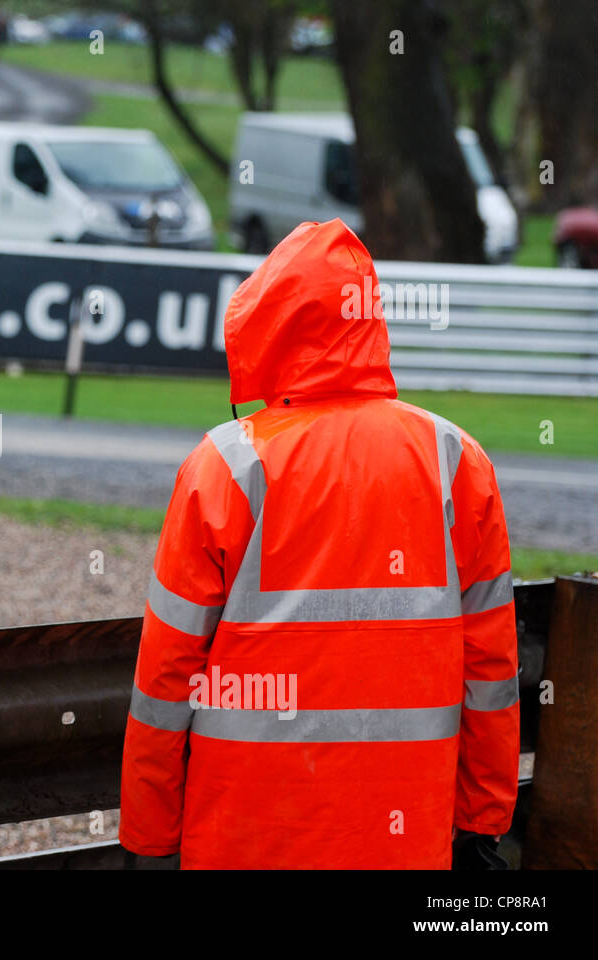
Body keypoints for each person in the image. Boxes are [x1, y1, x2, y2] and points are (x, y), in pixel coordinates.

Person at [119, 219, 519, 869]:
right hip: (405, 836)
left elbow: (165, 675)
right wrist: (481, 818)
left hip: (245, 837)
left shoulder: (227, 464)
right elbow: (491, 668)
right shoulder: (455, 461)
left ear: (268, 325)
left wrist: (149, 835)